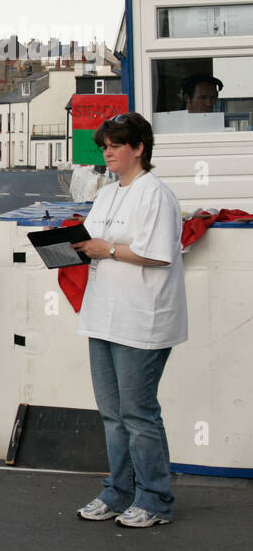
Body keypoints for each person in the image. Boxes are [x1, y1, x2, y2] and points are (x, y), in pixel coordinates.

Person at [70, 112, 186, 528]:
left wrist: (108, 250)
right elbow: (96, 242)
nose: (108, 152)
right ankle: (118, 492)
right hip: (103, 315)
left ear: (139, 148)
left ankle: (155, 499)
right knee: (112, 414)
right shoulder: (106, 193)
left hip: (143, 317)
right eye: (105, 146)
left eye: (116, 145)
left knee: (138, 415)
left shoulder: (155, 193)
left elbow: (159, 254)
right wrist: (75, 249)